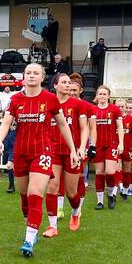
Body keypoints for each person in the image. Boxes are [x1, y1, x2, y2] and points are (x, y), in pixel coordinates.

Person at [0, 63, 76, 256]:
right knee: (24, 196)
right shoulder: (15, 100)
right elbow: (6, 122)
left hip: (43, 152)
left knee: (35, 193)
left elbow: (63, 125)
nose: (31, 75)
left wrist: (73, 149)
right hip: (21, 153)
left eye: (35, 73)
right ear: (23, 77)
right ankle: (31, 228)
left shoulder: (50, 99)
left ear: (42, 77)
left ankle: (29, 240)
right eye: (28, 72)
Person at [47, 72, 93, 232]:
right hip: (53, 151)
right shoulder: (48, 103)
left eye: (69, 83)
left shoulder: (77, 105)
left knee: (71, 192)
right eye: (64, 82)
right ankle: (52, 226)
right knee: (52, 187)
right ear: (55, 85)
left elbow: (84, 128)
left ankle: (75, 212)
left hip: (72, 152)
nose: (68, 85)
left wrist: (82, 147)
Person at [86, 85, 123, 211]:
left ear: (108, 96)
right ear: (97, 96)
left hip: (111, 144)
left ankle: (111, 194)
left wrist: (121, 143)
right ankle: (100, 201)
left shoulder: (114, 109)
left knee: (110, 172)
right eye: (100, 94)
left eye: (104, 94)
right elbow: (88, 128)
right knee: (100, 173)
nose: (102, 96)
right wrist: (90, 144)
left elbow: (120, 127)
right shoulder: (92, 109)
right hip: (97, 145)